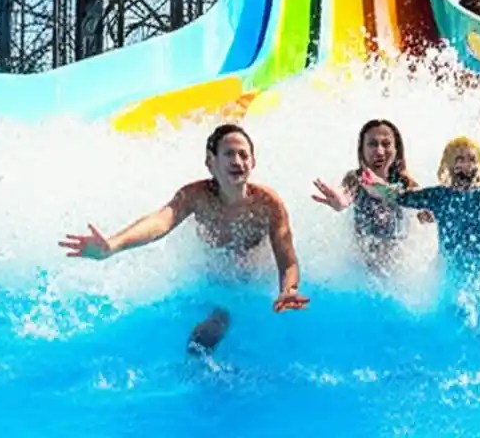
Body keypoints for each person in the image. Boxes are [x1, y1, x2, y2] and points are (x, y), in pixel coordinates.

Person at [59, 123, 309, 355]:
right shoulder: (197, 196)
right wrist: (112, 245)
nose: (237, 161)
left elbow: (287, 259)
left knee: (228, 316)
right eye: (229, 154)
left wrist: (288, 290)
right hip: (218, 274)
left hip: (255, 276)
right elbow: (160, 221)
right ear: (210, 162)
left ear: (253, 161)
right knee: (211, 327)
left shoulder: (267, 203)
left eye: (244, 155)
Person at [319, 135, 480, 287]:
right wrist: (373, 184)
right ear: (450, 166)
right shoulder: (439, 196)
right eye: (459, 159)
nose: (466, 164)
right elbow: (401, 198)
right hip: (445, 275)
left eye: (472, 159)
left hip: (477, 280)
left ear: (479, 165)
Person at [309, 119, 434, 274]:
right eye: (372, 144)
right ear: (362, 150)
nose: (380, 151)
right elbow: (345, 195)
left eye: (386, 144)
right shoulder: (355, 178)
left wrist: (428, 215)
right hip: (363, 272)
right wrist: (341, 201)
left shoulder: (406, 183)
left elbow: (427, 214)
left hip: (398, 271)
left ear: (396, 150)